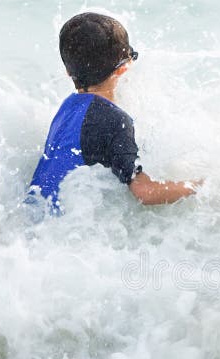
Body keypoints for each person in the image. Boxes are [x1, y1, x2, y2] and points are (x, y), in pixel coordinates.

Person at [27, 12, 197, 213]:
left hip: (33, 219)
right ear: (123, 69)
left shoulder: (68, 108)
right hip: (63, 233)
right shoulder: (114, 120)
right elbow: (145, 192)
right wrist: (202, 185)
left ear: (68, 71)